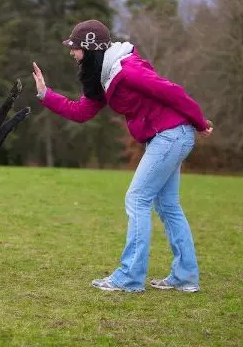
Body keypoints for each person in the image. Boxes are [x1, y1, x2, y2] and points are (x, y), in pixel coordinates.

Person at [32, 19, 213, 293]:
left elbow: (172, 91)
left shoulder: (128, 71)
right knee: (167, 206)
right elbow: (81, 112)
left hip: (173, 134)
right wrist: (45, 94)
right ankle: (185, 276)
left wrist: (200, 122)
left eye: (76, 47)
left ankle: (130, 277)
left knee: (137, 198)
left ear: (91, 49)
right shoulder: (105, 76)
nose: (72, 52)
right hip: (166, 137)